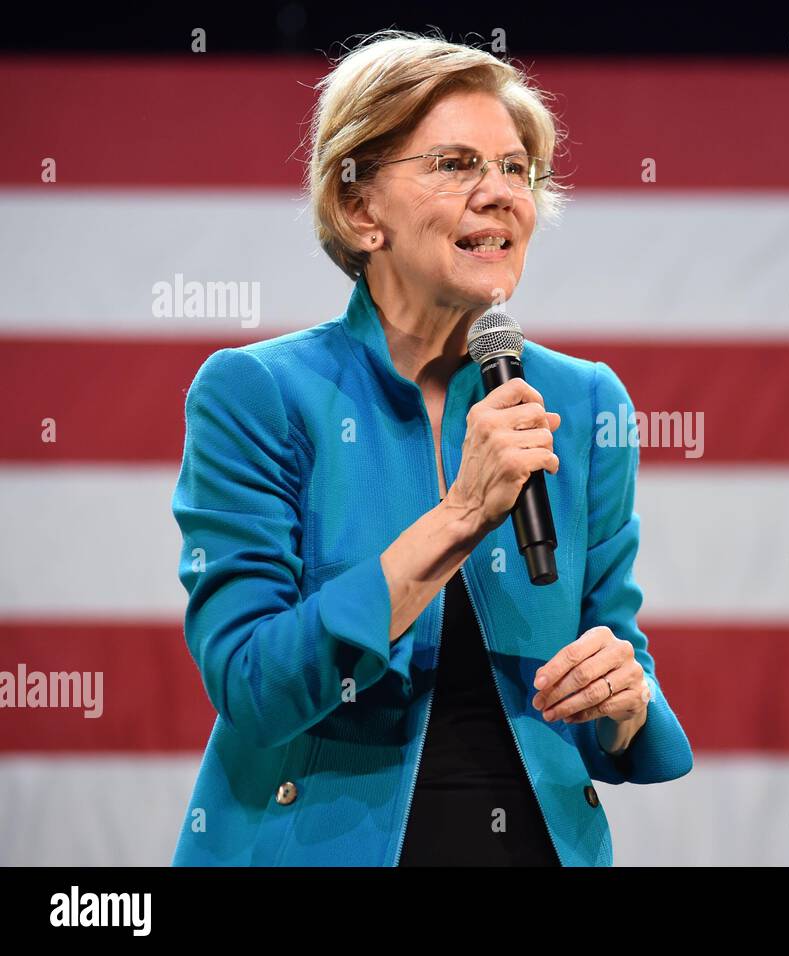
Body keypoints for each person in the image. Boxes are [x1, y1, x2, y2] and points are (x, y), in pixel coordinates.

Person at [170, 30, 692, 867]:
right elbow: (251, 684)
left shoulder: (588, 401)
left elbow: (612, 653)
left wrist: (624, 700)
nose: (500, 195)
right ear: (359, 209)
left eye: (516, 169)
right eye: (454, 165)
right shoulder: (260, 394)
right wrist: (460, 515)